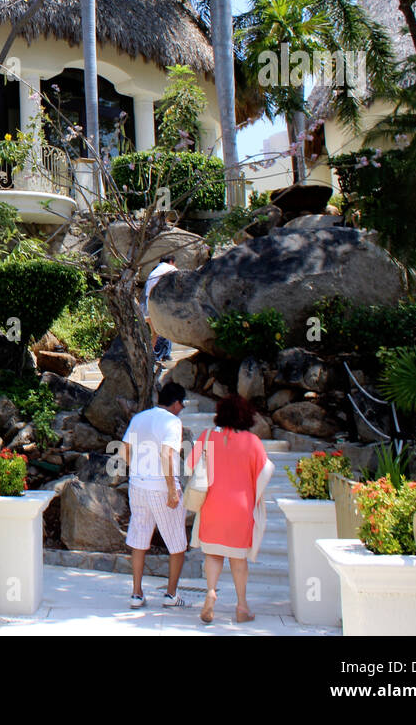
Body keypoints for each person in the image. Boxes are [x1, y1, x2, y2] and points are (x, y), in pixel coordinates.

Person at [188, 394, 275, 624]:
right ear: (244, 415)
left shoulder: (207, 437)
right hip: (241, 507)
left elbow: (190, 464)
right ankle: (242, 606)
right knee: (238, 559)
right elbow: (265, 471)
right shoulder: (252, 441)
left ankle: (210, 592)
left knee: (213, 554)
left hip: (212, 505)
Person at [120, 381, 190, 609]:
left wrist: (137, 470)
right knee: (177, 542)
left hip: (137, 484)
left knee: (139, 539)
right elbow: (167, 455)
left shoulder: (139, 418)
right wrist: (172, 489)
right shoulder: (173, 422)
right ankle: (171, 595)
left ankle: (136, 593)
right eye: (183, 405)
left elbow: (124, 451)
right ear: (177, 402)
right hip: (161, 486)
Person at [143, 254, 177, 362]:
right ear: (171, 261)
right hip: (161, 302)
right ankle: (162, 355)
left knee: (155, 332)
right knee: (165, 329)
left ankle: (154, 355)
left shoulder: (155, 271)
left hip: (150, 303)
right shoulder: (169, 268)